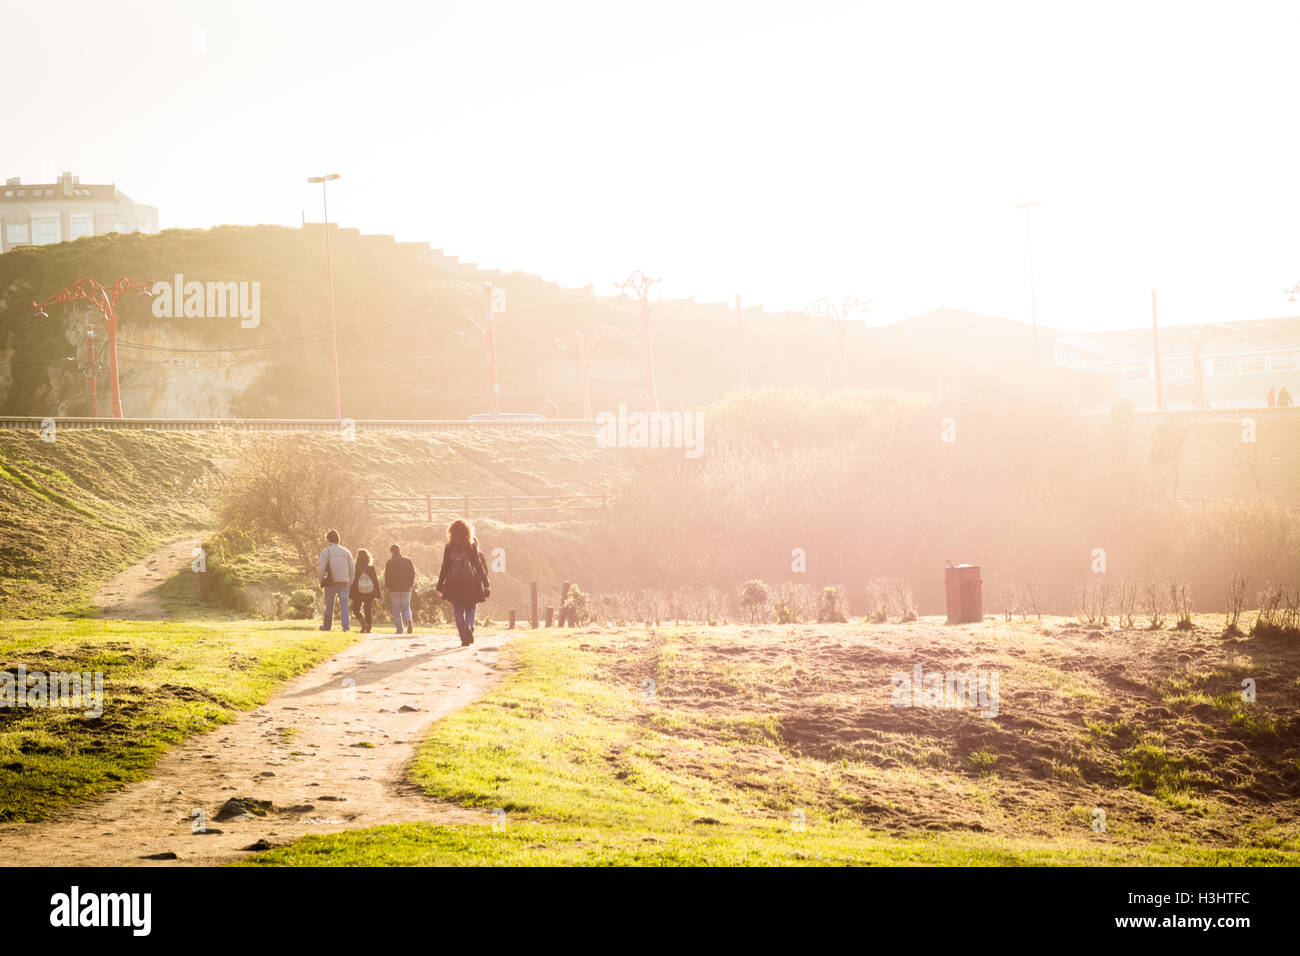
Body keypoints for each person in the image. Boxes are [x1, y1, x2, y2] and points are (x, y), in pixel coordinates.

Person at [435, 519, 491, 646]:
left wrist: (440, 586)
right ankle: (470, 626)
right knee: (471, 607)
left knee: (458, 610)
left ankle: (464, 639)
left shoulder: (449, 547)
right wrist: (486, 583)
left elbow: (445, 566)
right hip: (471, 583)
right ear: (467, 531)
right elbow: (478, 565)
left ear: (451, 532)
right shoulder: (471, 545)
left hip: (454, 584)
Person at [317, 529, 355, 631]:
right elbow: (352, 568)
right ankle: (346, 627)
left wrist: (320, 580)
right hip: (344, 582)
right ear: (338, 539)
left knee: (329, 606)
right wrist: (350, 580)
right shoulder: (346, 551)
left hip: (330, 582)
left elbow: (321, 568)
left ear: (328, 539)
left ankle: (327, 626)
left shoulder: (326, 551)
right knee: (344, 606)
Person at [385, 543, 416, 635]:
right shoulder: (408, 561)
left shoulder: (389, 562)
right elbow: (412, 574)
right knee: (406, 607)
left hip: (394, 589)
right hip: (406, 588)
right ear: (399, 550)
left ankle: (399, 630)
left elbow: (387, 576)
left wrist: (388, 586)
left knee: (396, 610)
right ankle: (408, 620)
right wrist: (410, 584)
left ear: (391, 551)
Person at [350, 548, 381, 634]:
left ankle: (363, 624)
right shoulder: (371, 568)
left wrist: (351, 593)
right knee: (368, 609)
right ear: (368, 557)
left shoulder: (355, 568)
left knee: (355, 609)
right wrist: (378, 592)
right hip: (369, 592)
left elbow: (353, 581)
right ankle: (368, 627)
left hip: (358, 592)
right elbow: (375, 581)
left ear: (358, 557)